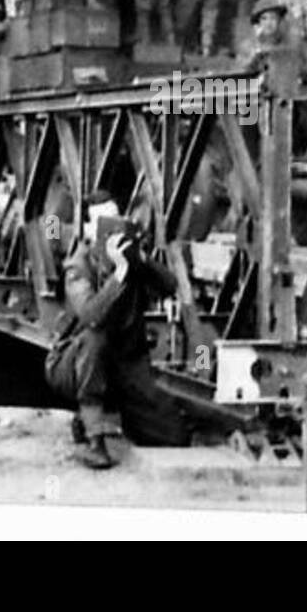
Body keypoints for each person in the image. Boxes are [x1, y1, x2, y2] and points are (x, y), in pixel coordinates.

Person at [44, 192, 187, 469]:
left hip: (125, 363)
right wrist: (120, 274)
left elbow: (169, 286)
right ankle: (95, 439)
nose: (115, 226)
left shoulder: (129, 259)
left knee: (173, 435)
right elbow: (92, 315)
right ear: (87, 228)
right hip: (72, 365)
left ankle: (97, 420)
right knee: (95, 338)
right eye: (105, 221)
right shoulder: (78, 266)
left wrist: (140, 261)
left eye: (117, 217)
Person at [246, 0, 289, 69]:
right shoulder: (251, 46)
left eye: (273, 18)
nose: (268, 23)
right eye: (264, 18)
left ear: (279, 20)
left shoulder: (287, 42)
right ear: (258, 22)